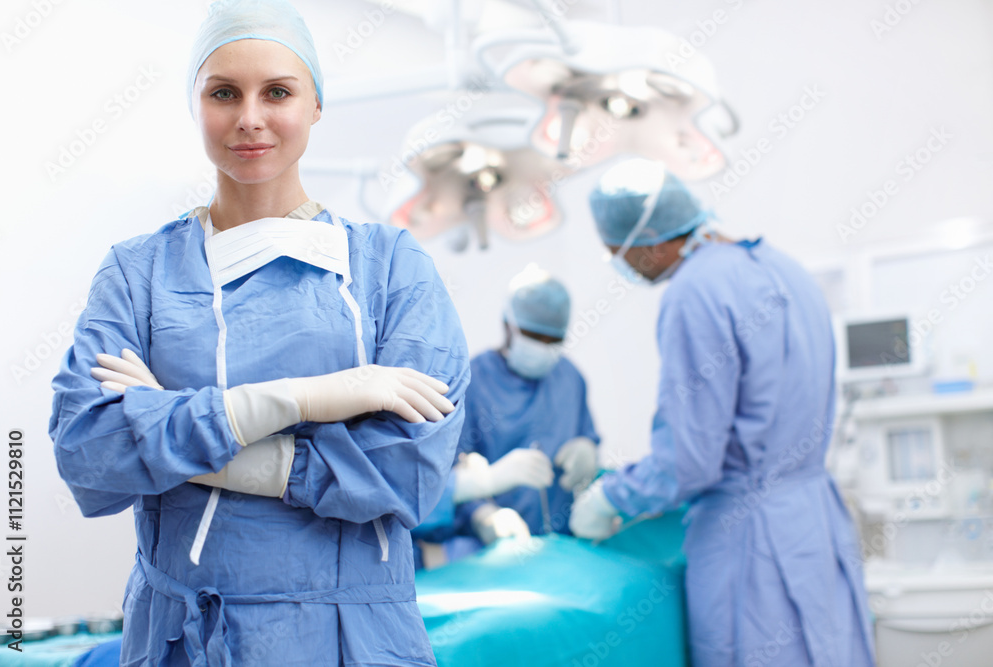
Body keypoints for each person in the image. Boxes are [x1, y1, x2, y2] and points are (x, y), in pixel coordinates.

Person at [49, 1, 470, 665]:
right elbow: (90, 451)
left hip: (352, 637)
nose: (250, 118)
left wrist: (168, 421)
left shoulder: (391, 266)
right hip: (183, 636)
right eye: (223, 93)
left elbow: (408, 470)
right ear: (194, 105)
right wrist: (301, 400)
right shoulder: (139, 272)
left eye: (277, 91)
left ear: (316, 105)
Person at [569, 159, 875, 667]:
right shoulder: (785, 269)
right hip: (814, 525)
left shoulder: (695, 292)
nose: (625, 267)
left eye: (618, 255)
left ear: (646, 244)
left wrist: (612, 498)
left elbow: (689, 460)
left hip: (754, 543)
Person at [447, 266, 600, 552]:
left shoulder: (570, 379)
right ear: (508, 324)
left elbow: (587, 436)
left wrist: (587, 449)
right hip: (491, 549)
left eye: (552, 341)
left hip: (562, 544)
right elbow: (450, 470)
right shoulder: (472, 381)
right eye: (533, 335)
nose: (542, 347)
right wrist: (484, 516)